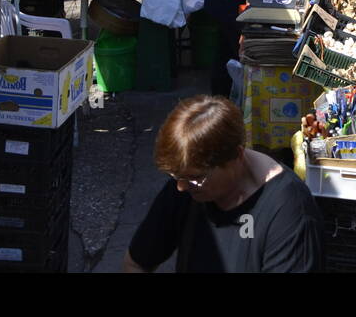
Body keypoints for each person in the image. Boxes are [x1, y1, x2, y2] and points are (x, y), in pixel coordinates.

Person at [125, 95, 323, 273]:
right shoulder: (187, 185)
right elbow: (136, 263)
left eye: (196, 177)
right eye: (176, 177)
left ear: (236, 156)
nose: (181, 187)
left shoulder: (289, 213)